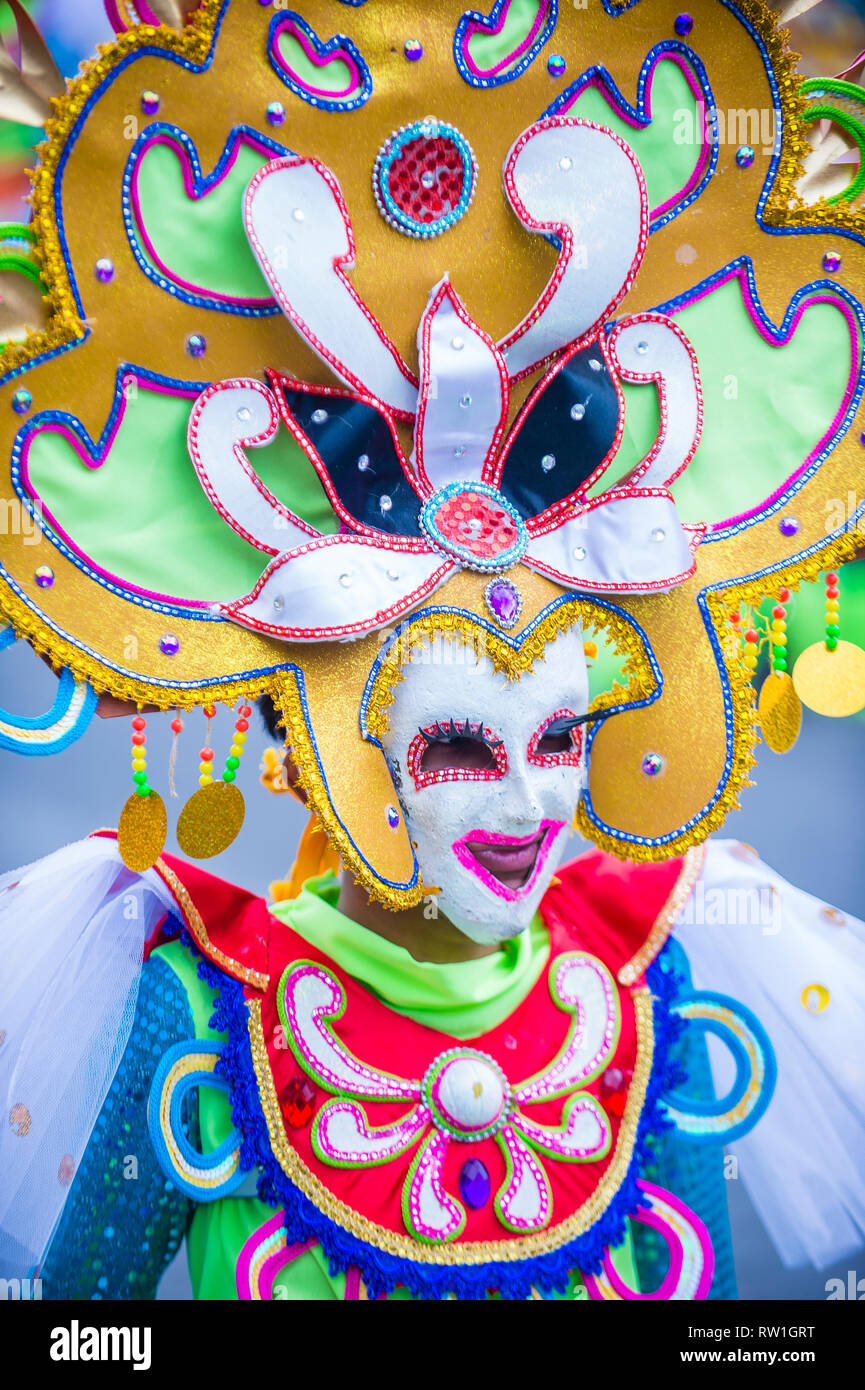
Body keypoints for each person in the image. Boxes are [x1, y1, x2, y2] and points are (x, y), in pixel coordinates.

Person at [0, 0, 864, 1300]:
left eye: (562, 737)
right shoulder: (204, 1013)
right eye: (462, 743)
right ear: (340, 745)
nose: (528, 803)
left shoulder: (646, 994)